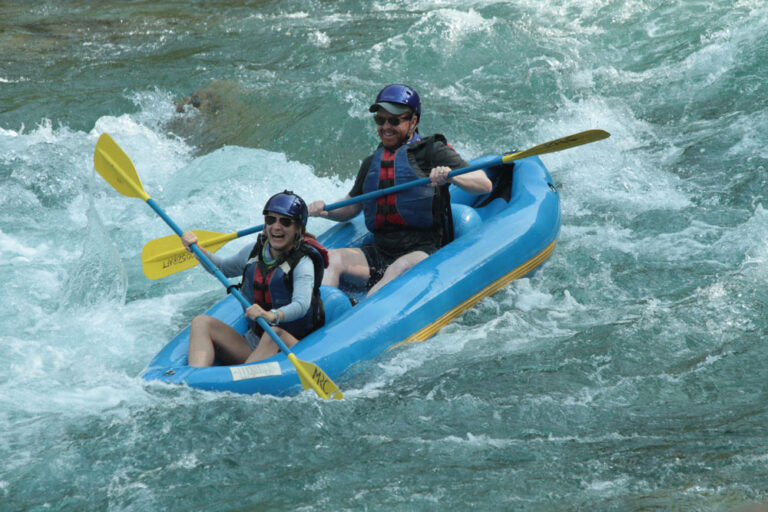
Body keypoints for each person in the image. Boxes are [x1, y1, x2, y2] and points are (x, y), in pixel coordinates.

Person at [308, 83, 492, 295]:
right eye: (380, 120)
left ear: (413, 121)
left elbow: (484, 184)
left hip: (424, 250)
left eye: (394, 121)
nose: (385, 127)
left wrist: (451, 176)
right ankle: (324, 310)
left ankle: (367, 308)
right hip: (381, 251)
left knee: (398, 268)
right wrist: (326, 211)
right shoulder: (371, 163)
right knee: (331, 260)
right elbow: (352, 206)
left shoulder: (432, 151)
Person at [182, 191, 327, 367]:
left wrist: (271, 315)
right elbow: (222, 268)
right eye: (271, 220)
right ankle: (195, 376)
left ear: (299, 228)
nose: (276, 227)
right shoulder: (254, 252)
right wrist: (196, 249)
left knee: (274, 333)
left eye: (285, 222)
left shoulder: (303, 262)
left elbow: (301, 305)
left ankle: (241, 377)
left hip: (292, 348)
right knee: (201, 322)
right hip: (255, 343)